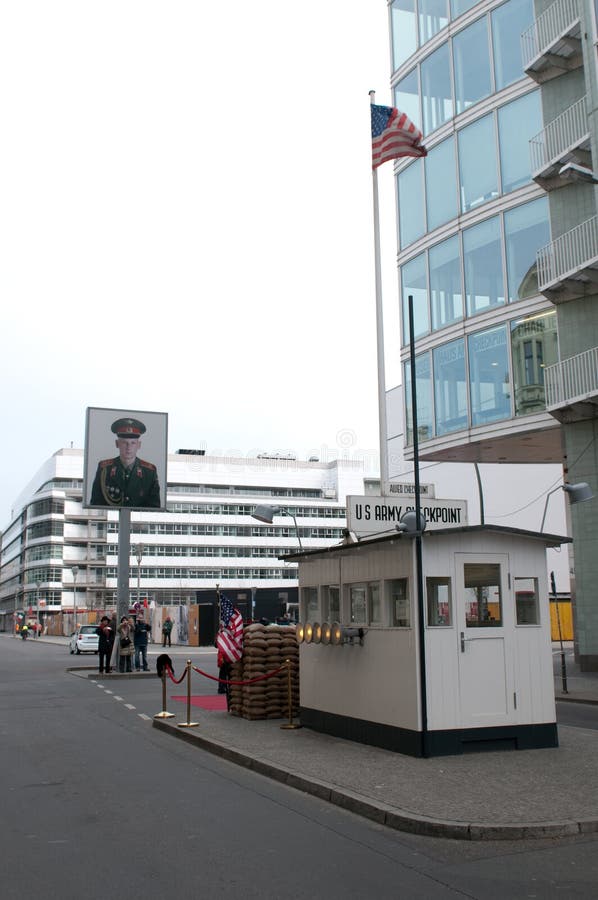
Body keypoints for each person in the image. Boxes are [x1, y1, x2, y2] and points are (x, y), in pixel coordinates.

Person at [90, 417, 161, 508]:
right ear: (117, 444)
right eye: (124, 442)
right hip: (111, 519)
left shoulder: (149, 472)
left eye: (133, 443)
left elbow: (154, 507)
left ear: (139, 445)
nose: (128, 447)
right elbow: (96, 503)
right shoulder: (104, 468)